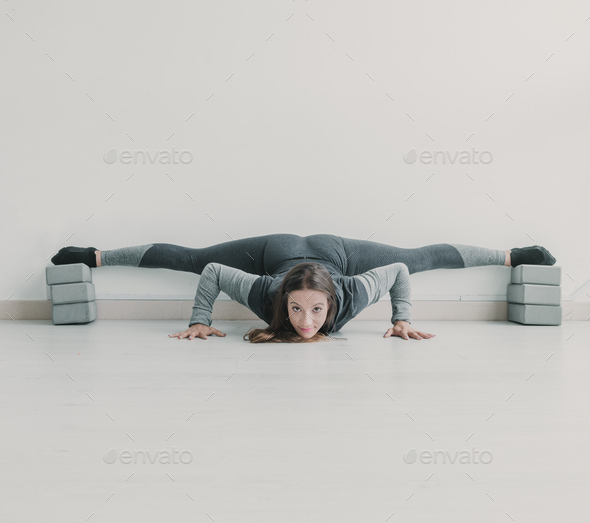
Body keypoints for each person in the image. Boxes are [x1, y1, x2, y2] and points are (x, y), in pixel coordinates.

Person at [50, 234, 556, 343]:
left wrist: (400, 316)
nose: (306, 322)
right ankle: (90, 254)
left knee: (422, 257)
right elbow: (208, 273)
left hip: (339, 255)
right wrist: (198, 321)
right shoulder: (264, 290)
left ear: (335, 303)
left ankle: (516, 252)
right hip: (276, 252)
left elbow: (402, 268)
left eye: (315, 312)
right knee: (192, 258)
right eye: (296, 311)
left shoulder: (356, 290)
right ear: (282, 301)